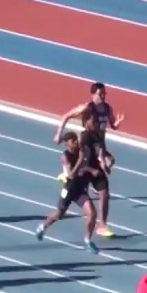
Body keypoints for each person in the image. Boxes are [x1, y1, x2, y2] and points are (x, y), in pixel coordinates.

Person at [53, 82, 123, 238]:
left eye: (105, 93)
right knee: (78, 174)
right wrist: (59, 134)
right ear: (92, 94)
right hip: (86, 146)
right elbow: (65, 116)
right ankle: (66, 174)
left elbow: (112, 125)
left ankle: (102, 226)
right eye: (100, 94)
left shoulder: (107, 108)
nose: (103, 96)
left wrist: (117, 123)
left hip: (100, 146)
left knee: (105, 190)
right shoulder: (86, 108)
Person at [36, 113, 102, 254]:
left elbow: (85, 165)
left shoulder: (82, 150)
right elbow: (71, 174)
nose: (77, 143)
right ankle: (43, 226)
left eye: (77, 141)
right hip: (69, 189)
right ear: (68, 143)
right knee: (59, 214)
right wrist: (81, 161)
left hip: (80, 189)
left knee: (92, 213)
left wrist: (91, 167)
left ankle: (88, 241)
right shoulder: (65, 157)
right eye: (74, 142)